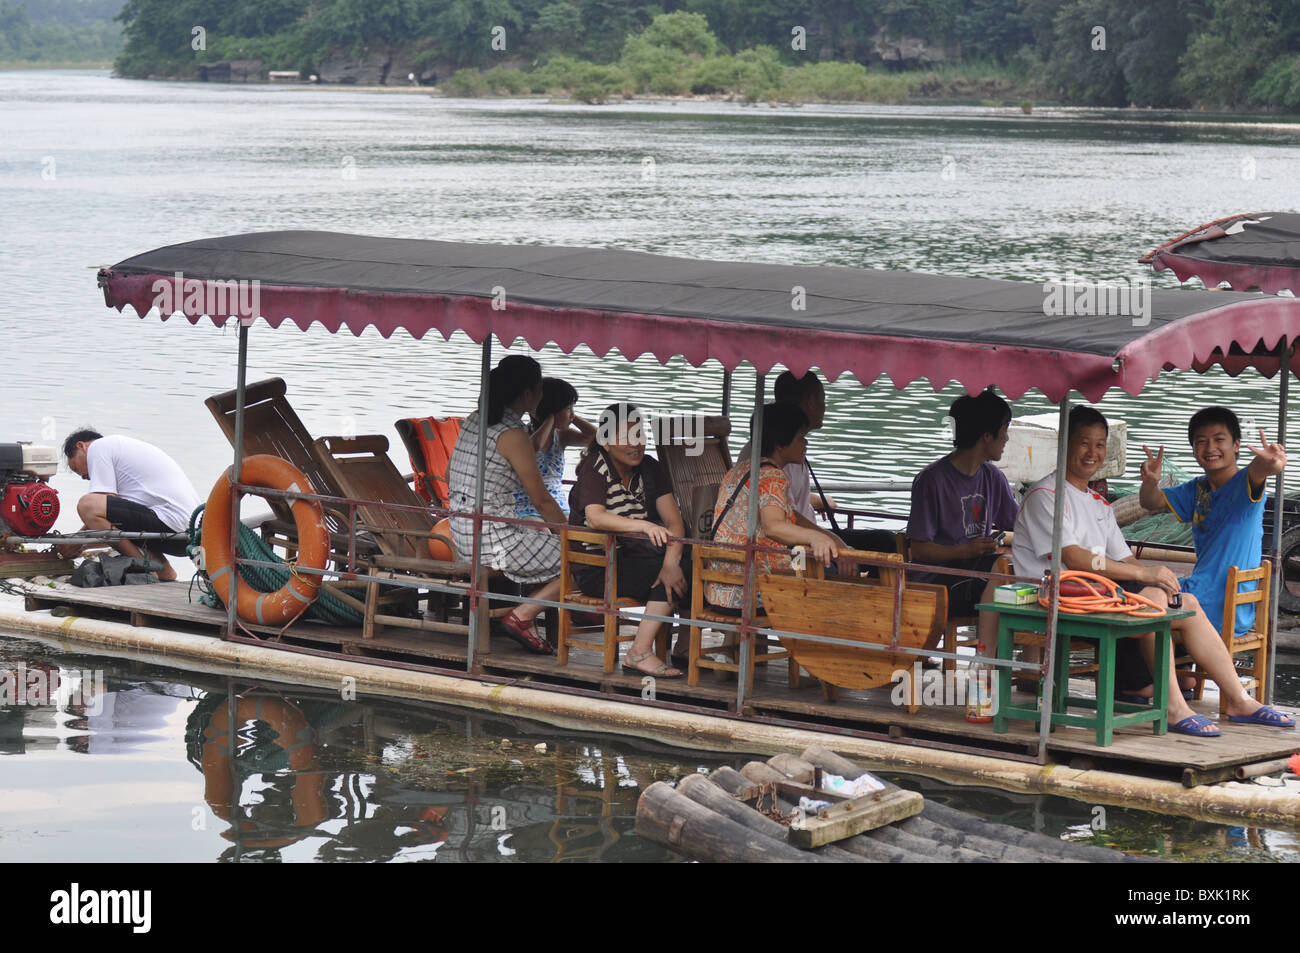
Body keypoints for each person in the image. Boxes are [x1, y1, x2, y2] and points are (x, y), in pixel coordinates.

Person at [1012, 405, 1293, 735]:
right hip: (1057, 598)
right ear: (1065, 444)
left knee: (1178, 599)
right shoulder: (1047, 495)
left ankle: (1235, 699)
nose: (1093, 453)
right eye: (1084, 443)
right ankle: (1175, 705)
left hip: (1094, 595)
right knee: (1157, 599)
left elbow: (1125, 559)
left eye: (1100, 444)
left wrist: (1155, 575)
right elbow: (1075, 559)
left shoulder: (1097, 503)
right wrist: (1145, 577)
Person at [447, 355, 564, 654]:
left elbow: (448, 474)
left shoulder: (477, 418)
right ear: (527, 394)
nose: (542, 395)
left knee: (542, 531)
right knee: (583, 560)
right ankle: (522, 616)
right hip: (495, 544)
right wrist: (573, 535)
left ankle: (523, 614)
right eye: (539, 388)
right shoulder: (513, 434)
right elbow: (541, 499)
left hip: (462, 533)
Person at [1139, 406, 1284, 640]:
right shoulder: (1198, 488)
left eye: (1219, 440)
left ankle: (1167, 676)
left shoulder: (1243, 483)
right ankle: (1181, 677)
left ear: (1236, 445)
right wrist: (1150, 482)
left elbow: (1260, 470)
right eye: (1201, 441)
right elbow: (1150, 502)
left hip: (1223, 603)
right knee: (1143, 598)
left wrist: (1271, 463)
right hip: (1200, 591)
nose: (1210, 448)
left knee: (1141, 605)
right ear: (1194, 449)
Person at [569, 402, 687, 677]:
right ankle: (639, 652)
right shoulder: (594, 469)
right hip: (599, 569)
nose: (637, 444)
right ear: (606, 442)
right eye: (626, 437)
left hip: (638, 559)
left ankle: (683, 648)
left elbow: (674, 522)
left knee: (685, 568)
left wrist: (671, 563)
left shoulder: (650, 469)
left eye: (640, 436)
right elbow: (596, 517)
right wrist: (643, 526)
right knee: (683, 573)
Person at [736, 369, 893, 555]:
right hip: (789, 546)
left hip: (803, 536)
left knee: (884, 541)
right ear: (810, 402)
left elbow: (777, 496)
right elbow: (780, 519)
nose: (805, 442)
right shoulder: (767, 461)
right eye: (823, 400)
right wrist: (824, 538)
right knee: (848, 563)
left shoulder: (786, 452)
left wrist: (815, 501)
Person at [906, 388, 1018, 648]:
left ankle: (1028, 667)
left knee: (1020, 570)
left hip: (975, 573)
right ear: (987, 436)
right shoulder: (932, 480)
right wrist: (965, 550)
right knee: (1003, 573)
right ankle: (989, 659)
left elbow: (1018, 525)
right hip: (936, 580)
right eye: (1004, 430)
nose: (1007, 438)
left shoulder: (993, 477)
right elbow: (920, 550)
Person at [707, 402, 840, 612]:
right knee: (827, 569)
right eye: (800, 438)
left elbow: (789, 517)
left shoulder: (738, 469)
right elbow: (774, 526)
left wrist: (828, 537)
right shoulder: (772, 476)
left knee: (813, 560)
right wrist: (817, 538)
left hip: (719, 586)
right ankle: (812, 641)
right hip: (752, 588)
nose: (805, 443)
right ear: (780, 445)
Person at [56, 429, 201, 581]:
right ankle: (164, 573)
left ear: (81, 446)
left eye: (76, 468)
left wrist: (76, 540)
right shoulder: (122, 456)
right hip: (189, 537)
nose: (83, 477)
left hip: (172, 524)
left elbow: (96, 513)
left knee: (87, 504)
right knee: (108, 514)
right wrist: (82, 545)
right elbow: (110, 525)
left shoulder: (98, 447)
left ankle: (146, 570)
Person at [514, 377, 595, 519]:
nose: (573, 414)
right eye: (568, 408)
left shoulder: (563, 436)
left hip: (558, 506)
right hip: (525, 506)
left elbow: (597, 437)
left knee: (579, 531)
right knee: (542, 531)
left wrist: (570, 418)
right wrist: (550, 418)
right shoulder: (522, 435)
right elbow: (534, 446)